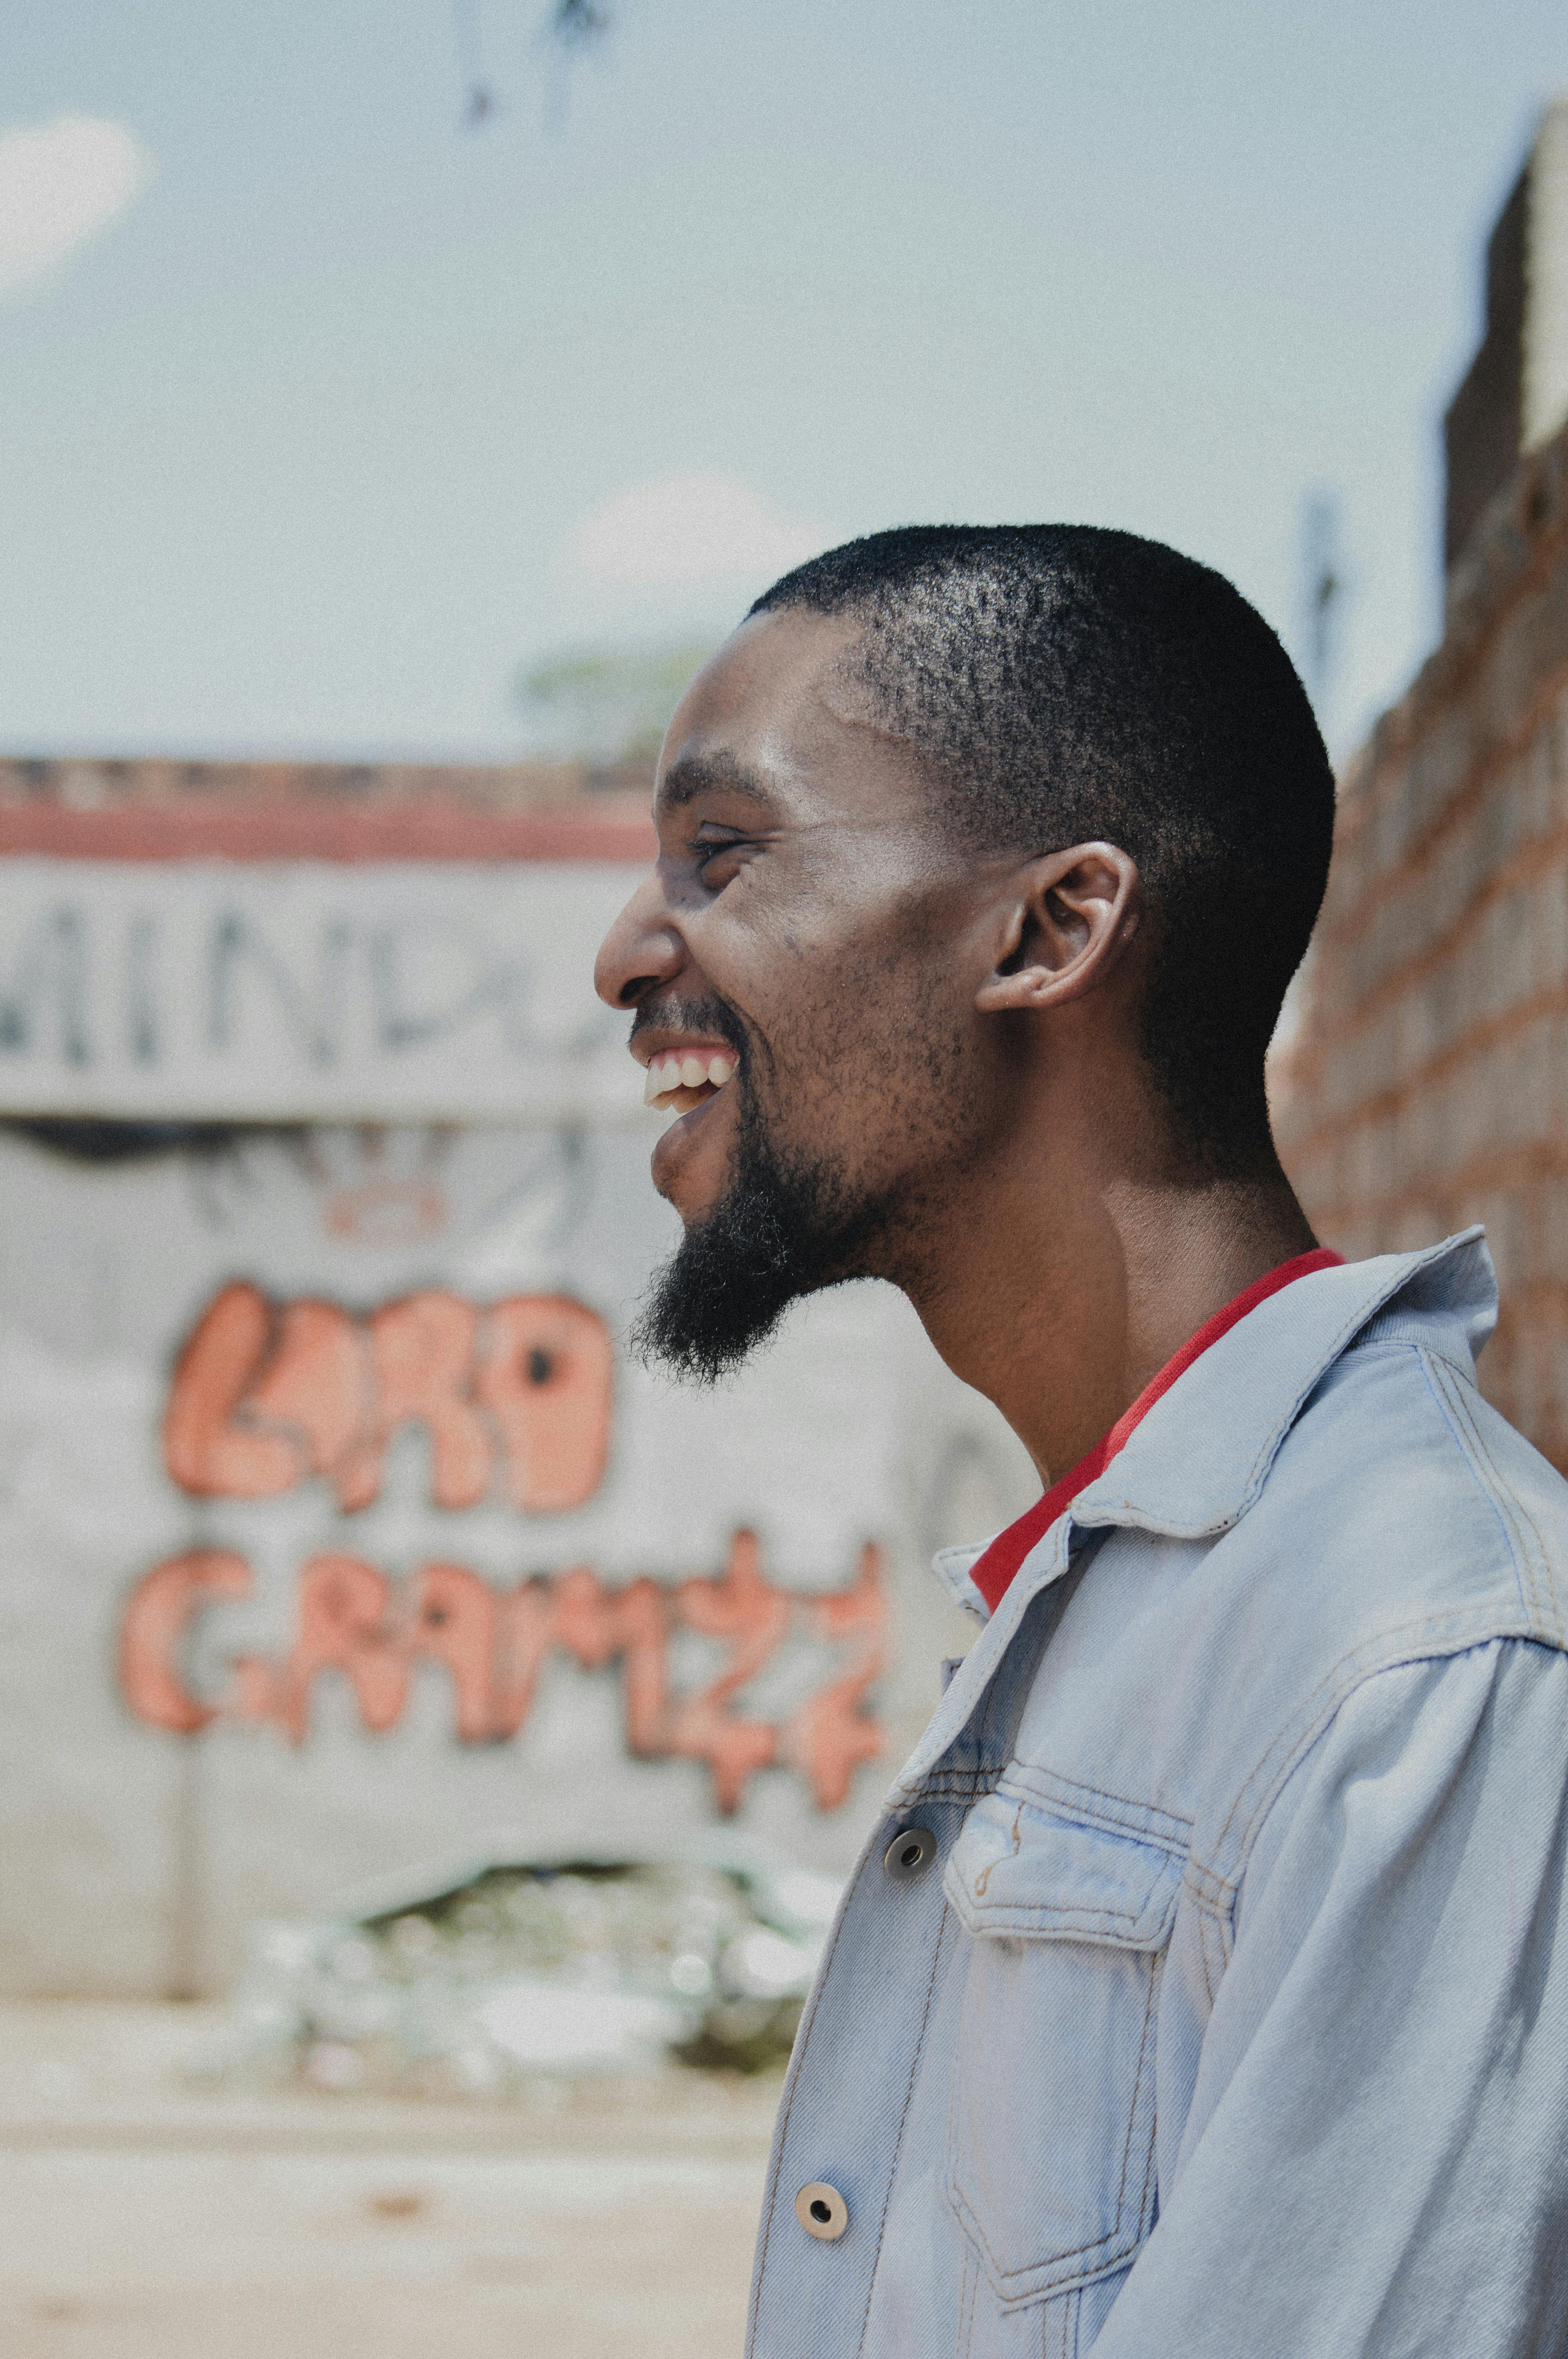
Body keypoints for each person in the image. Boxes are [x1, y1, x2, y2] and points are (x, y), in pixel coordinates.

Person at [593, 525, 1568, 2359]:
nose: (627, 954)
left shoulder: (1422, 1671)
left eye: (722, 857)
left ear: (1052, 927)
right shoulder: (1132, 1584)